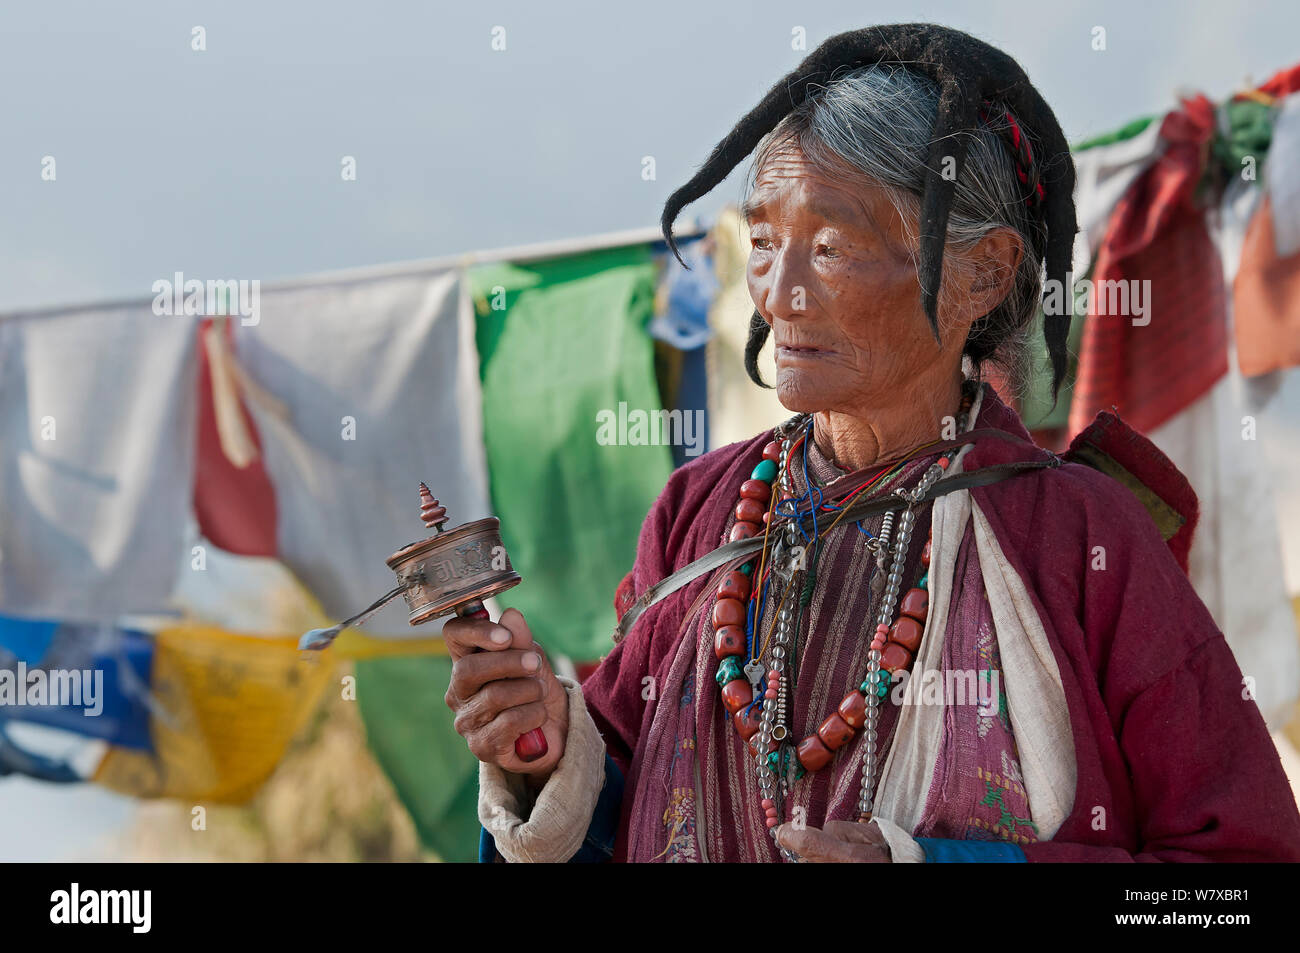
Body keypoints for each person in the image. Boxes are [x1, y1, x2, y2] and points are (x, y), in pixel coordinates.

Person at [443, 23, 1300, 862]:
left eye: (830, 246)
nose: (778, 293)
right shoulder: (696, 516)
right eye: (767, 242)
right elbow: (620, 805)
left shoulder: (1084, 540)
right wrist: (550, 759)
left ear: (984, 272)